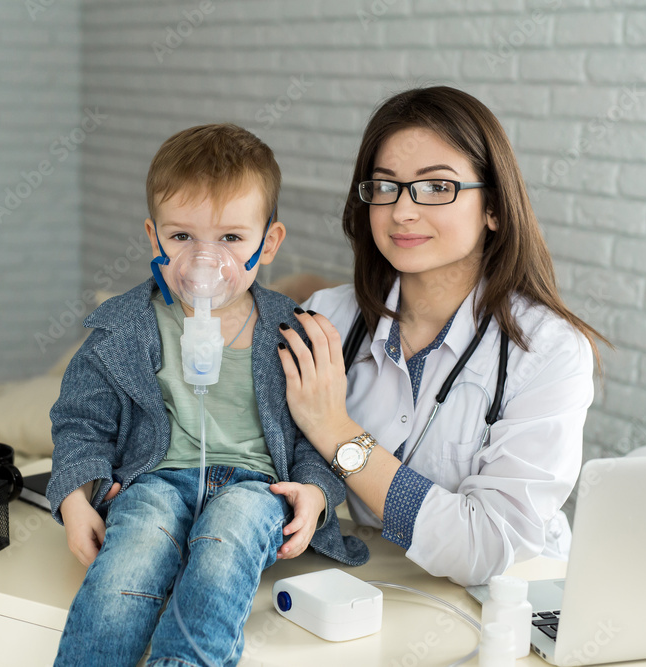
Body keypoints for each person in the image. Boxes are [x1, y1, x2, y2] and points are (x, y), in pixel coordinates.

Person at [47, 123, 367, 667]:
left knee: (227, 540)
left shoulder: (291, 335)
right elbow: (80, 421)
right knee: (133, 553)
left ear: (268, 244)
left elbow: (319, 429)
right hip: (155, 481)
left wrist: (314, 492)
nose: (204, 261)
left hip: (253, 487)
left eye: (230, 238)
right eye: (181, 238)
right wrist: (75, 495)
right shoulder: (124, 331)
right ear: (154, 237)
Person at [277, 86, 607, 587]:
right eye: (385, 186)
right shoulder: (326, 322)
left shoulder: (549, 353)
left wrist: (335, 431)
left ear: (493, 209)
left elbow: (484, 545)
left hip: (508, 603)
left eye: (436, 188)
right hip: (377, 584)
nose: (403, 212)